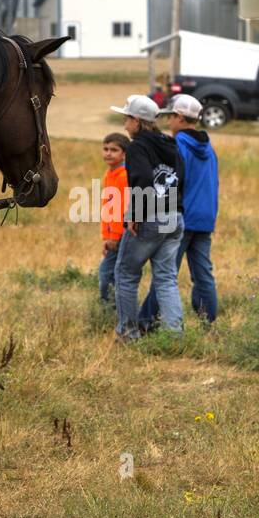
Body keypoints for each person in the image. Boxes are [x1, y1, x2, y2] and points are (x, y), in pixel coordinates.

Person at [139, 93, 219, 327]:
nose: (168, 122)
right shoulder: (208, 147)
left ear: (180, 117)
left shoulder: (179, 146)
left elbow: (173, 181)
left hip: (183, 216)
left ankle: (145, 323)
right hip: (205, 218)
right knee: (203, 273)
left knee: (166, 273)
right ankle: (208, 322)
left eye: (170, 117)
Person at [110, 94, 185, 342]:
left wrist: (135, 215)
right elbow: (182, 177)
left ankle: (128, 334)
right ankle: (175, 335)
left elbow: (142, 178)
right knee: (165, 277)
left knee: (125, 274)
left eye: (127, 119)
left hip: (150, 217)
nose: (124, 125)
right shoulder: (170, 143)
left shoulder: (138, 147)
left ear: (137, 121)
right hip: (174, 216)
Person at [99, 133, 130, 304]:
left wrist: (115, 236)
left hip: (120, 235)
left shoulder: (124, 176)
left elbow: (122, 209)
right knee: (111, 273)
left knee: (107, 273)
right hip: (111, 235)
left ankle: (110, 310)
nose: (108, 153)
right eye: (105, 149)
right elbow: (108, 208)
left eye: (114, 150)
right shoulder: (109, 174)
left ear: (124, 154)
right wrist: (105, 235)